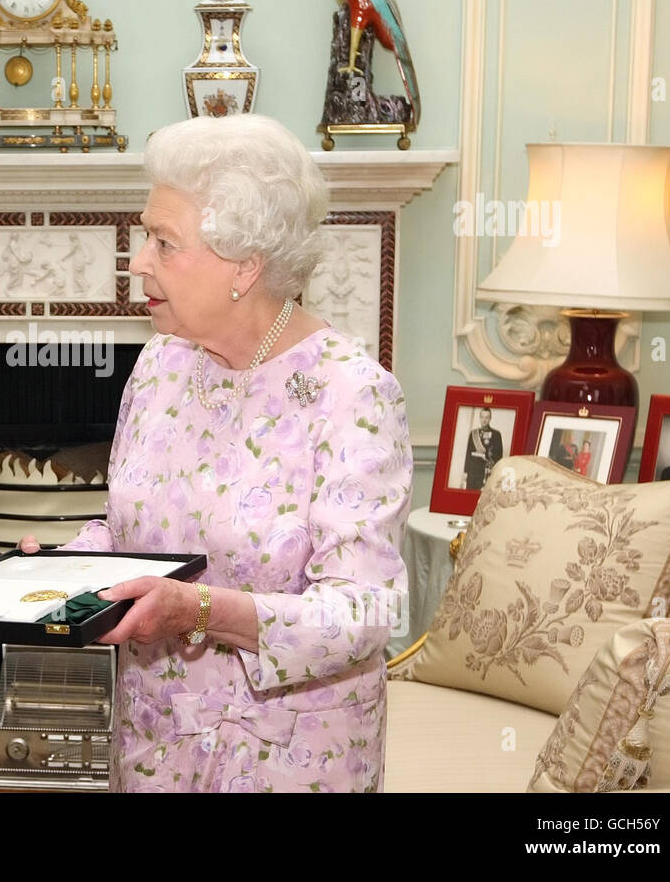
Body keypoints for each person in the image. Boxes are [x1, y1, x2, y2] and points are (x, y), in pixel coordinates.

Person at [22, 115, 411, 792]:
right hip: (156, 747)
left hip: (288, 757)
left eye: (163, 242)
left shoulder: (353, 393)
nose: (138, 260)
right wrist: (67, 565)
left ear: (245, 265)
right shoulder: (160, 365)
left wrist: (198, 611)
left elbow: (363, 613)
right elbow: (130, 530)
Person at [461, 407, 503, 490]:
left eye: (487, 417)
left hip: (486, 470)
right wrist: (466, 471)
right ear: (480, 418)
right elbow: (468, 453)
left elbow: (499, 454)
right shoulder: (473, 433)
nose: (484, 420)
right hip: (472, 471)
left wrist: (492, 467)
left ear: (490, 418)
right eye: (482, 417)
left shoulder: (496, 434)